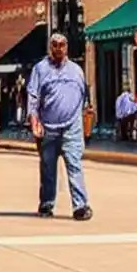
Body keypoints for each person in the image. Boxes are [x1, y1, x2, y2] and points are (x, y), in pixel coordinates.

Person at [27, 33, 94, 221]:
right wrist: (34, 121)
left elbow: (84, 97)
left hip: (72, 127)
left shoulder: (76, 70)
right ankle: (47, 204)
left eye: (62, 45)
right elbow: (33, 97)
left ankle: (80, 206)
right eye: (55, 45)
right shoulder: (40, 69)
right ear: (50, 47)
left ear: (67, 47)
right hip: (48, 128)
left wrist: (84, 117)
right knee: (48, 169)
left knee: (75, 165)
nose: (59, 48)